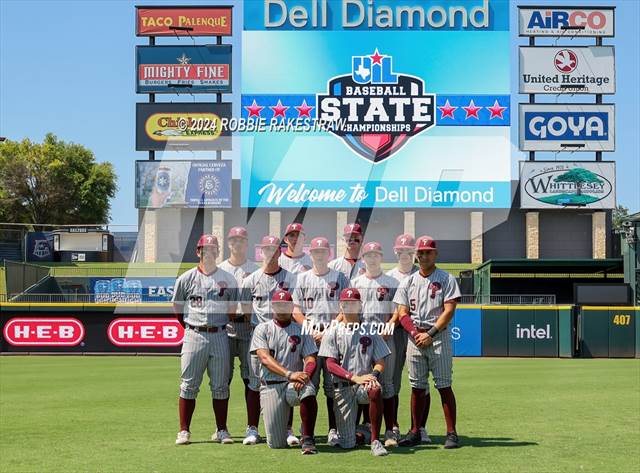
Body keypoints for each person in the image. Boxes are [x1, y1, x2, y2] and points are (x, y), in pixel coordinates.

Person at [394, 236, 462, 449]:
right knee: (416, 387)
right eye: (421, 252)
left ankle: (451, 432)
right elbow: (402, 312)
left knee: (443, 385)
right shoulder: (408, 281)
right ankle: (415, 431)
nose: (424, 256)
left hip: (437, 336)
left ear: (436, 254)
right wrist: (415, 333)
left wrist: (430, 333)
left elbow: (449, 310)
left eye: (428, 252)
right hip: (415, 338)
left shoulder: (446, 278)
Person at [172, 234, 238, 446]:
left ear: (217, 252)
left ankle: (221, 430)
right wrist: (190, 327)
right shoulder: (186, 278)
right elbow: (177, 308)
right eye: (204, 249)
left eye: (212, 249)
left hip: (220, 333)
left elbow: (232, 309)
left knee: (220, 386)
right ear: (198, 252)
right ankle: (184, 431)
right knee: (189, 385)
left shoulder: (228, 278)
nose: (208, 252)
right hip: (194, 333)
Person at [319, 288, 391, 457]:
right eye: (346, 303)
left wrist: (373, 376)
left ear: (360, 306)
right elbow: (330, 365)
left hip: (364, 384)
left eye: (354, 303)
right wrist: (354, 377)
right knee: (347, 444)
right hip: (343, 387)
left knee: (375, 388)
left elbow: (380, 361)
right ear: (340, 306)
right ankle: (361, 433)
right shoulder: (333, 330)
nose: (350, 307)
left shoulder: (370, 329)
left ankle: (375, 440)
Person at [292, 236, 350, 446]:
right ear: (311, 254)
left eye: (323, 252)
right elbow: (296, 309)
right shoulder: (302, 278)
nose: (319, 255)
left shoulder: (340, 277)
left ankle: (333, 429)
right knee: (308, 384)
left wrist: (329, 330)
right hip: (309, 337)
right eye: (315, 252)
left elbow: (347, 307)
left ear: (329, 254)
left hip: (333, 336)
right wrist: (310, 328)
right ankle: (307, 429)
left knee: (333, 386)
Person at [240, 236, 298, 446]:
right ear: (261, 251)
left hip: (286, 333)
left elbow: (296, 306)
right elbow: (246, 310)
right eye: (267, 249)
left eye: (275, 249)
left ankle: (288, 428)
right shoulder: (250, 279)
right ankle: (253, 428)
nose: (271, 253)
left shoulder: (292, 278)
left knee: (287, 380)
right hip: (260, 334)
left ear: (281, 252)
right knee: (255, 384)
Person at [251, 289, 319, 453]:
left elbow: (310, 358)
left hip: (294, 384)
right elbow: (265, 359)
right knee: (276, 443)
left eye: (285, 305)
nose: (281, 309)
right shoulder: (262, 328)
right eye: (278, 305)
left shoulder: (302, 329)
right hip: (271, 385)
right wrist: (290, 374)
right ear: (273, 307)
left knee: (308, 389)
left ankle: (307, 438)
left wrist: (304, 376)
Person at [352, 242, 399, 448]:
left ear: (381, 257)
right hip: (361, 340)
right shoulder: (355, 282)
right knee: (362, 383)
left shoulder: (391, 281)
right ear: (363, 258)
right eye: (368, 255)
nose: (372, 258)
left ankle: (389, 431)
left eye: (376, 255)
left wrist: (390, 324)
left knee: (387, 386)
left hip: (384, 338)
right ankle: (361, 428)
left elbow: (399, 309)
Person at [386, 234, 431, 444]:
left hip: (418, 332)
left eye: (409, 251)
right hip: (395, 332)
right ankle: (393, 426)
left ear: (414, 253)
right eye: (401, 251)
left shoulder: (423, 273)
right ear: (395, 252)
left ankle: (419, 428)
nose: (405, 254)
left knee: (421, 383)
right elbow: (391, 309)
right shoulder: (389, 276)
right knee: (392, 382)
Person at [218, 227, 259, 440]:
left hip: (249, 327)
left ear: (247, 243)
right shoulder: (219, 269)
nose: (237, 244)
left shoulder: (255, 269)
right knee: (222, 378)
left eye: (241, 240)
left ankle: (252, 426)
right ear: (228, 243)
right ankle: (221, 428)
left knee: (251, 378)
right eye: (234, 240)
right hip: (225, 328)